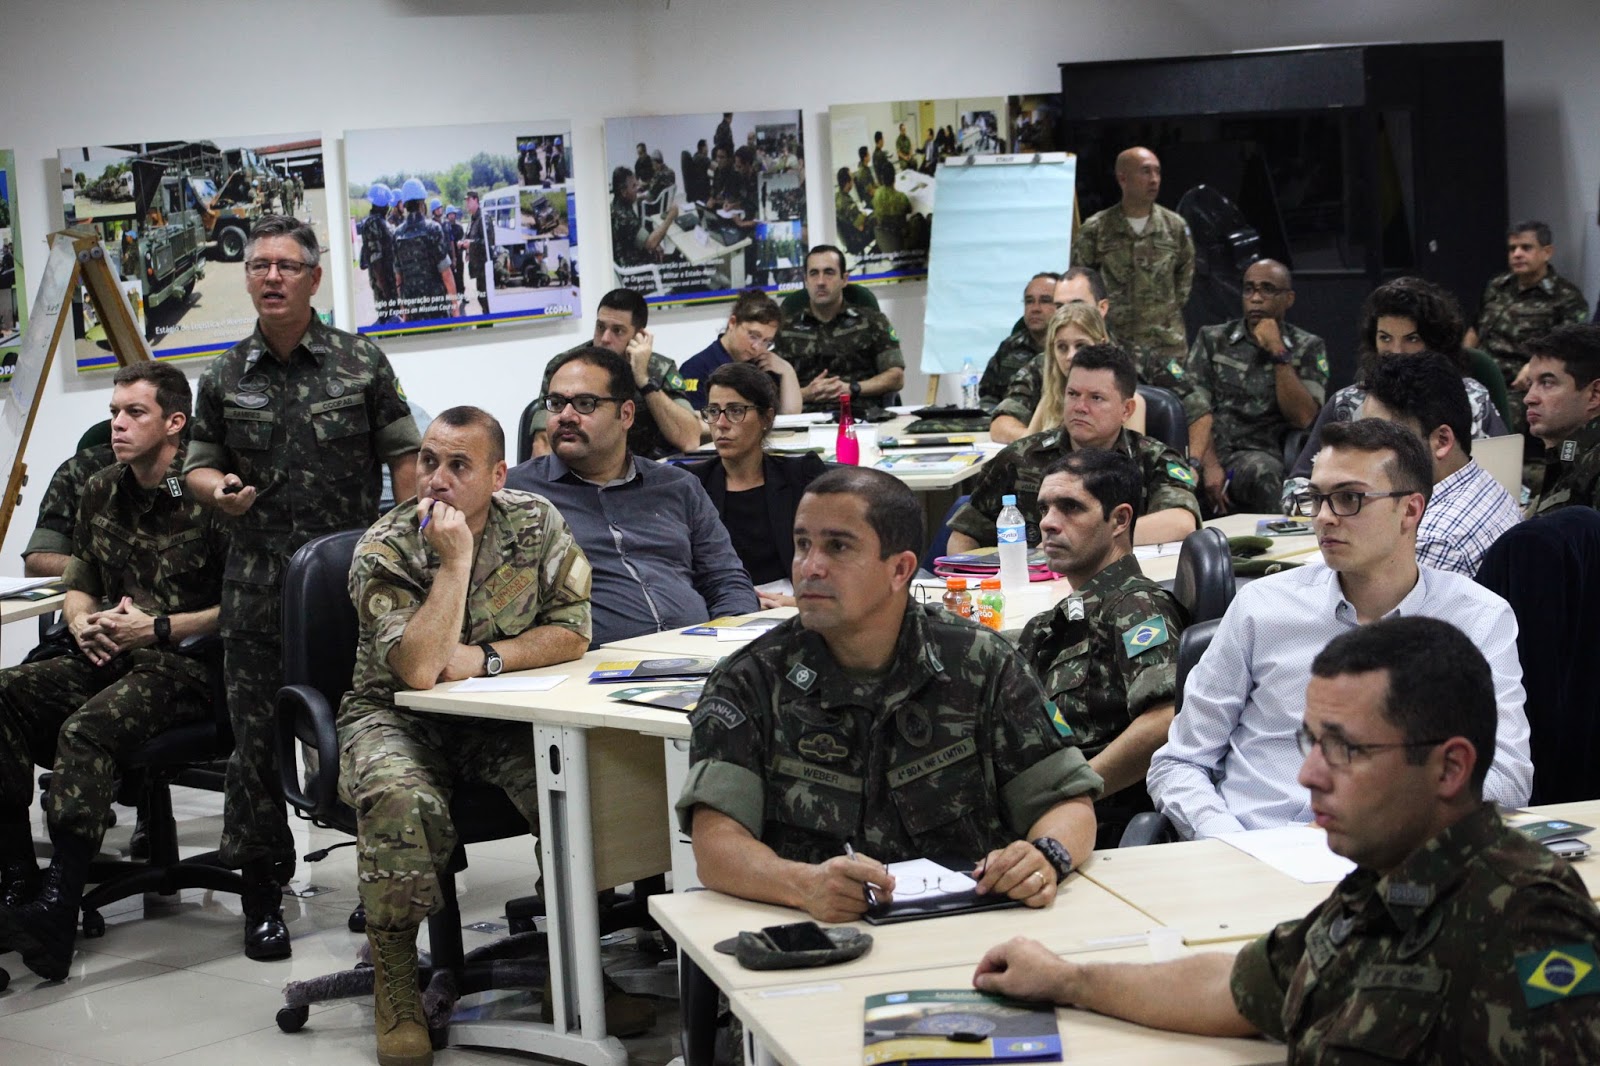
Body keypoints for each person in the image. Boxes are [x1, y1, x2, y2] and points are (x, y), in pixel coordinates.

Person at [974, 615, 1600, 1063]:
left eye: (1345, 750)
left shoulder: (1531, 919)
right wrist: (1065, 980)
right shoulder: (1382, 887)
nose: (1308, 776)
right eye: (1311, 742)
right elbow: (1236, 989)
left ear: (1451, 767)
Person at [338, 408, 649, 1063]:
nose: (437, 479)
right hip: (394, 715)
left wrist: (489, 659)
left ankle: (568, 970)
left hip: (497, 710)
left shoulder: (536, 523)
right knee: (402, 800)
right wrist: (454, 564)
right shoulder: (385, 547)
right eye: (428, 461)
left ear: (497, 474)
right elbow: (419, 669)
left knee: (578, 785)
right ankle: (395, 983)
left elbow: (573, 629)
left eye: (458, 465)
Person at [675, 467, 1102, 923]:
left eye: (837, 547)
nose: (809, 567)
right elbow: (716, 843)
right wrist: (802, 885)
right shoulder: (751, 679)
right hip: (818, 930)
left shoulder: (981, 662)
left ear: (900, 568)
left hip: (969, 927)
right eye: (803, 545)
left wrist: (1044, 855)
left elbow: (1066, 802)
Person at [185, 215, 421, 960]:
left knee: (365, 740)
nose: (272, 278)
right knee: (255, 750)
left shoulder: (360, 362)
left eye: (288, 266)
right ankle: (262, 896)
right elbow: (195, 463)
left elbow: (407, 459)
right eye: (259, 266)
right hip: (256, 593)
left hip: (349, 592)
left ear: (315, 278)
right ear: (247, 277)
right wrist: (214, 489)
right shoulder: (224, 375)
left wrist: (408, 548)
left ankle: (382, 888)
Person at [1146, 418, 1533, 839]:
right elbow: (1180, 762)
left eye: (1349, 498)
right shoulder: (1263, 607)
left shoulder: (1477, 618)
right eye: (1317, 498)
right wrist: (1227, 841)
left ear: (1411, 510)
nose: (1325, 518)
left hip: (1400, 857)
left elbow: (1508, 778)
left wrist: (1382, 818)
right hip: (1251, 849)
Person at [0, 363, 223, 980]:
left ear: (175, 423)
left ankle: (59, 902)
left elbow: (247, 607)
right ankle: (18, 881)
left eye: (134, 413)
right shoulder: (101, 487)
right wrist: (81, 622)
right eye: (115, 410)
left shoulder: (208, 494)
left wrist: (154, 628)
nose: (117, 424)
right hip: (108, 654)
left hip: (187, 668)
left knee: (87, 730)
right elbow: (81, 582)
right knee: (4, 696)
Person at [506, 346, 757, 646]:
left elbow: (726, 580)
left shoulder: (677, 485)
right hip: (590, 671)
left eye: (585, 403)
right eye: (556, 403)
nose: (566, 416)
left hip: (699, 656)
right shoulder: (515, 496)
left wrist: (731, 645)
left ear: (625, 415)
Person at [1017, 450, 1186, 846]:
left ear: (1120, 520)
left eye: (1070, 508)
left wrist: (1074, 796)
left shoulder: (1136, 606)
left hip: (1089, 827)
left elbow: (1164, 721)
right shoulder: (1072, 612)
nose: (1048, 523)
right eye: (1044, 509)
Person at [1282, 276, 1510, 510]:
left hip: (1455, 521)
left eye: (1411, 339)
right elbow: (1294, 492)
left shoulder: (1473, 399)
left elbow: (1509, 486)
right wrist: (1348, 510)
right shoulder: (1347, 403)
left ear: (1436, 343)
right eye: (1385, 338)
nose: (1396, 351)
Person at [947, 343, 1201, 552]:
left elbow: (1180, 522)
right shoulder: (1021, 457)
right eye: (1073, 394)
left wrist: (1083, 540)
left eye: (1096, 398)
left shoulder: (1154, 459)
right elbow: (965, 536)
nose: (1080, 406)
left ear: (1126, 410)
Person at [1181, 259, 1328, 515]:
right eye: (1249, 289)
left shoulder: (1307, 346)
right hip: (1207, 451)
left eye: (1267, 289)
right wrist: (1211, 465)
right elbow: (1195, 410)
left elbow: (1304, 418)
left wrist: (1278, 352)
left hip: (1260, 455)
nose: (1256, 298)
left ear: (1288, 298)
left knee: (1265, 471)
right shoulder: (1213, 339)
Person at [1360, 353, 1521, 574]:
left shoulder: (1432, 540)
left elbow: (1382, 609)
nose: (1364, 450)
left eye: (1383, 437)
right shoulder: (1488, 487)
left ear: (1442, 441)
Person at [687, 363, 827, 606]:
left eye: (735, 410)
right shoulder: (692, 484)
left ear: (767, 417)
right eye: (713, 411)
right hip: (723, 604)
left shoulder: (801, 476)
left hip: (795, 602)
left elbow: (832, 554)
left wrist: (801, 603)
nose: (721, 423)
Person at [1071, 147, 1195, 389]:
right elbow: (1082, 282)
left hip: (1167, 347)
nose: (1154, 179)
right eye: (1145, 172)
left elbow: (1185, 276)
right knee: (1116, 405)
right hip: (1114, 346)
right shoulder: (1097, 229)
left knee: (1184, 397)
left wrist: (1163, 311)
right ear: (1122, 178)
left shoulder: (1175, 226)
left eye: (1158, 172)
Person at [527, 288, 700, 458]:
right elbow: (543, 444)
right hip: (579, 471)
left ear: (639, 336)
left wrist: (644, 380)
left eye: (617, 330)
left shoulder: (660, 369)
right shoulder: (566, 367)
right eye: (600, 327)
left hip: (644, 474)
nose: (605, 338)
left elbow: (689, 440)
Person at [1466, 221, 1591, 434]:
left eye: (1526, 248)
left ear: (1547, 252)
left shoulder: (1566, 297)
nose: (1517, 254)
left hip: (1523, 386)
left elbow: (1571, 350)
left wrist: (1534, 369)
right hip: (1479, 377)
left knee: (1485, 423)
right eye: (1512, 249)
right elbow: (1475, 330)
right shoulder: (1497, 286)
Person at [989, 267, 1113, 442]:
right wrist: (1045, 443)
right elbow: (1003, 424)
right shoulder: (1046, 370)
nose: (1067, 314)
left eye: (1076, 305)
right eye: (1059, 307)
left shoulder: (1131, 363)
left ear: (1102, 308)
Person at [779, 245, 905, 412]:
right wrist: (806, 393)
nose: (821, 282)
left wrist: (852, 388)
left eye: (829, 272)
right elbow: (764, 390)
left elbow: (896, 377)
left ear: (844, 279)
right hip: (803, 421)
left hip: (860, 418)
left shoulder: (872, 321)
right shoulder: (784, 329)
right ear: (806, 280)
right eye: (814, 273)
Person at [678, 288, 800, 412]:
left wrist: (787, 371)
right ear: (732, 322)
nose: (757, 347)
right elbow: (694, 423)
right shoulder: (696, 368)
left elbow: (791, 414)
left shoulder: (763, 364)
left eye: (766, 341)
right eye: (753, 336)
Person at [1525, 322, 1600, 513]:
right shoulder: (1569, 451)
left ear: (1594, 395)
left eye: (1547, 383)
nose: (1529, 398)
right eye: (1530, 383)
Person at [21, 440, 117, 578]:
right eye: (115, 416)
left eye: (136, 416)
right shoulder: (81, 469)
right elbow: (36, 562)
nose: (119, 423)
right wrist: (100, 574)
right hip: (95, 594)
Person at [977, 273, 1059, 410]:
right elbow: (988, 396)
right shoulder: (1010, 347)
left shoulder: (1069, 349)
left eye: (1045, 301)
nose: (1035, 309)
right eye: (1029, 301)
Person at [391, 178, 458, 322]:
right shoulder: (433, 228)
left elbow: (398, 278)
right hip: (435, 307)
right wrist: (455, 306)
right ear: (422, 203)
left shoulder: (397, 234)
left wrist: (403, 310)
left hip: (412, 308)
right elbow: (446, 273)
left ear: (405, 204)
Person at [610, 166, 678, 268]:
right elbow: (651, 243)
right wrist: (670, 216)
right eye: (633, 186)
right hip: (639, 270)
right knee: (681, 263)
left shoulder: (617, 205)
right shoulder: (624, 217)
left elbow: (637, 235)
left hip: (632, 258)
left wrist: (653, 244)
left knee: (675, 257)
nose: (637, 188)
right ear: (623, 192)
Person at [359, 182, 400, 325]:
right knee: (389, 325)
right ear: (384, 205)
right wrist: (388, 294)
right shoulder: (374, 224)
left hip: (388, 285)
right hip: (384, 287)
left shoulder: (378, 222)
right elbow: (376, 261)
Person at [462, 190, 493, 315]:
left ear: (476, 200)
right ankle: (487, 319)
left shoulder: (483, 218)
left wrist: (471, 244)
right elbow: (468, 236)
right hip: (478, 267)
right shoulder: (473, 220)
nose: (467, 204)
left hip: (485, 266)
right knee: (481, 296)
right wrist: (463, 244)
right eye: (466, 201)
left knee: (486, 297)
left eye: (469, 200)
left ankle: (489, 322)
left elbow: (487, 241)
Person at [833, 166, 872, 255]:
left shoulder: (837, 197)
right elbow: (860, 227)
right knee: (877, 219)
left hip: (848, 239)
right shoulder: (846, 202)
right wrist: (864, 214)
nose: (853, 181)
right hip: (856, 240)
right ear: (847, 183)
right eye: (852, 179)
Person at [440, 204, 465, 302]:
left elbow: (463, 239)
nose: (452, 216)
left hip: (458, 255)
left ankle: (462, 294)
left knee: (460, 275)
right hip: (448, 256)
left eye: (453, 214)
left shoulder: (459, 227)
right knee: (451, 278)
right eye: (449, 214)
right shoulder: (444, 226)